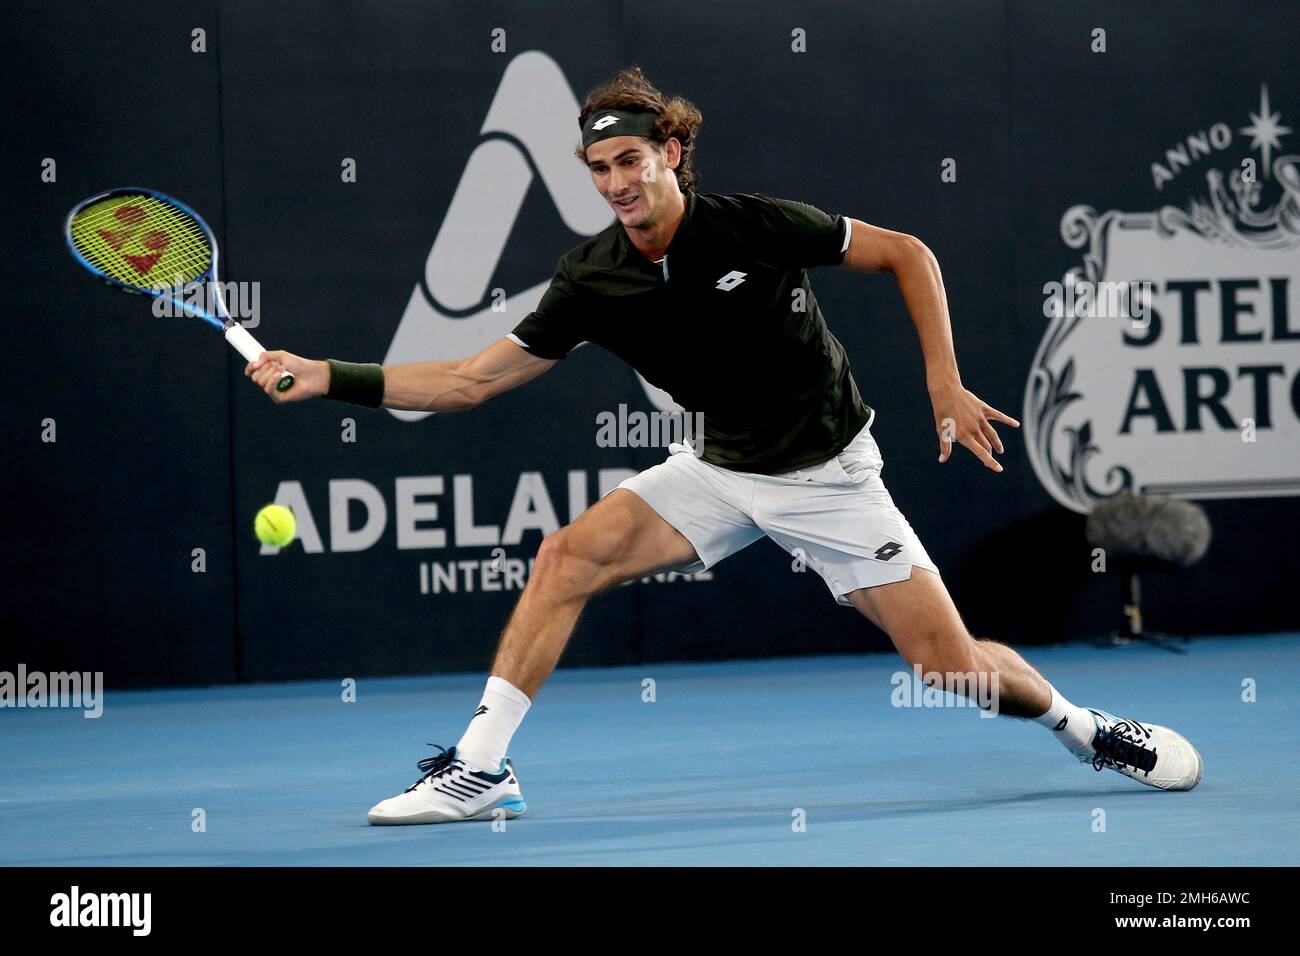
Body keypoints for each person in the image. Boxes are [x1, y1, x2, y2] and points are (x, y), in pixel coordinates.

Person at [247, 67, 1202, 824]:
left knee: (949, 668)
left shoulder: (754, 225)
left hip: (830, 479)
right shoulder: (592, 278)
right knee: (564, 557)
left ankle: (1083, 728)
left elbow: (907, 252)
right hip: (719, 470)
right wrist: (332, 374)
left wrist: (943, 383)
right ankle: (481, 769)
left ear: (671, 153)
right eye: (598, 170)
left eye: (631, 160)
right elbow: (470, 378)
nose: (617, 183)